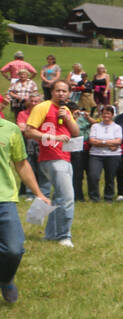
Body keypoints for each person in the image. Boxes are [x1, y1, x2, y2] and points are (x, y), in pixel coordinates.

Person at [0, 110, 51, 302]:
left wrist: (38, 193)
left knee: (14, 249)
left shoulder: (10, 129)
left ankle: (5, 279)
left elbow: (21, 164)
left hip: (4, 198)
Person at [23, 79, 79, 246]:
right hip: (51, 157)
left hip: (65, 157)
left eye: (64, 91)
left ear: (69, 93)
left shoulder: (65, 110)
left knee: (59, 198)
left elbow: (75, 133)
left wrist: (67, 118)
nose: (61, 93)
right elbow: (29, 130)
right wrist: (53, 137)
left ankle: (51, 234)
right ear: (52, 92)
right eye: (58, 90)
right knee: (68, 198)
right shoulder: (42, 107)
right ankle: (64, 236)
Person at [86, 105, 123, 202]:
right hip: (96, 155)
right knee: (93, 176)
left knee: (110, 177)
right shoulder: (95, 126)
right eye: (104, 113)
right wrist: (107, 143)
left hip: (113, 156)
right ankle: (94, 197)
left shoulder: (117, 127)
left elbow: (118, 141)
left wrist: (100, 142)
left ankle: (108, 197)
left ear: (112, 115)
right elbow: (92, 141)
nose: (106, 115)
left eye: (108, 113)